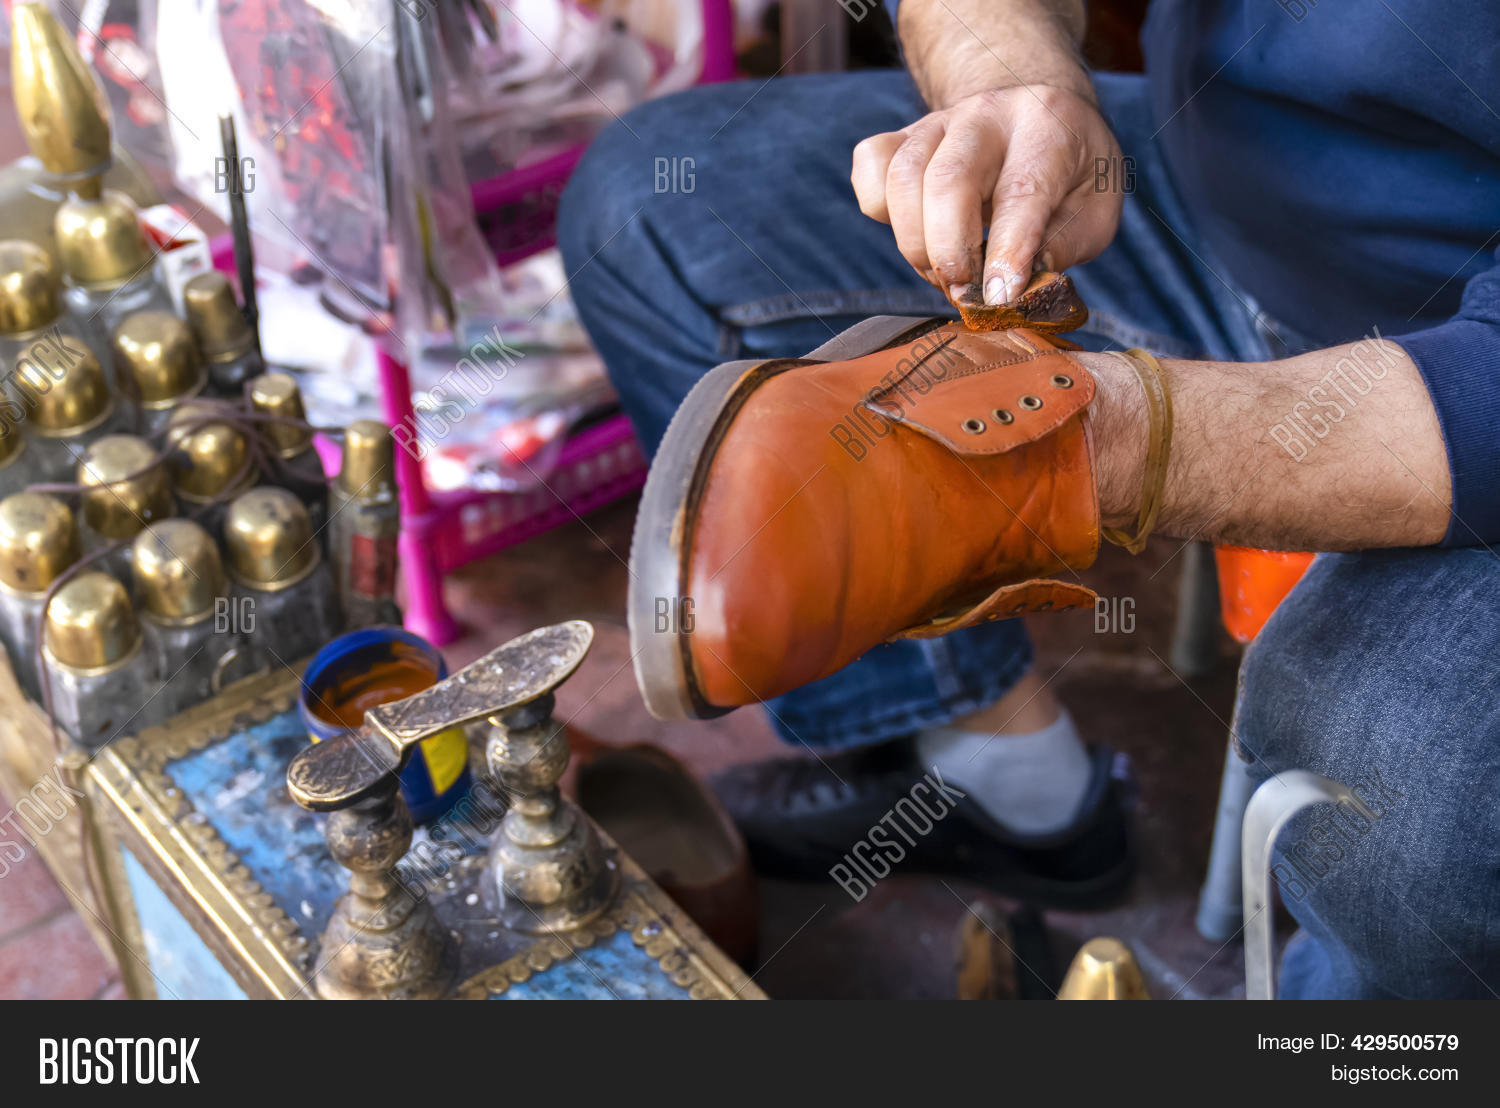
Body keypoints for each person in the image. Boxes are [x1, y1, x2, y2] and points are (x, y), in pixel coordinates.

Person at [559, 0, 1500, 998]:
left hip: (1458, 334)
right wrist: (1008, 76)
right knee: (645, 209)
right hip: (1231, 198)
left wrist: (1113, 448)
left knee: (1396, 774)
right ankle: (1003, 778)